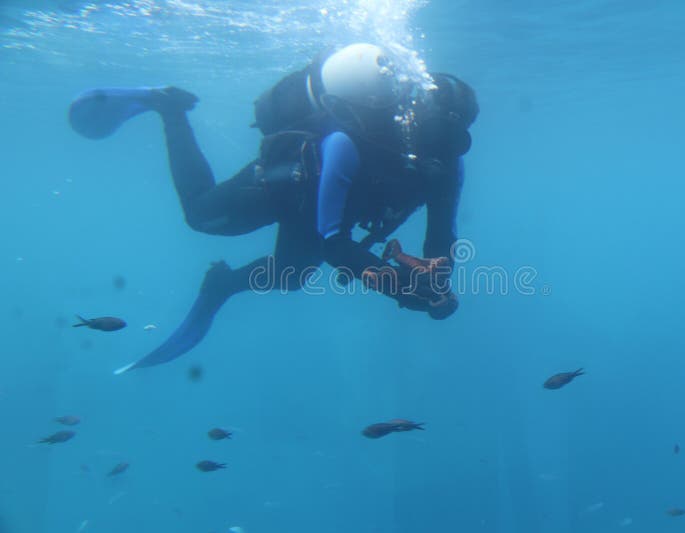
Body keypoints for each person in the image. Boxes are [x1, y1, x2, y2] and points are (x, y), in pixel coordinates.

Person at [69, 43, 479, 373]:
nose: (442, 152)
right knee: (201, 217)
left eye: (453, 139)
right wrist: (399, 290)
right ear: (415, 120)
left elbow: (441, 239)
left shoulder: (444, 167)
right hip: (287, 185)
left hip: (327, 210)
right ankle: (170, 109)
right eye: (439, 136)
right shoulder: (348, 141)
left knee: (291, 276)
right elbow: (334, 245)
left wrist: (436, 289)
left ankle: (221, 285)